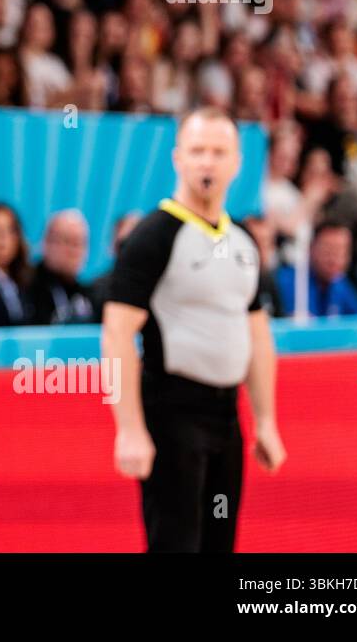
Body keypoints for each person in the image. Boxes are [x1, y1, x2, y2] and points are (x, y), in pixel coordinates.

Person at [102, 107, 286, 553]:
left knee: (219, 541)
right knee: (177, 544)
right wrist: (129, 428)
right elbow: (116, 334)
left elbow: (258, 336)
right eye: (198, 151)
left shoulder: (243, 240)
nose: (208, 162)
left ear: (238, 162)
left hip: (227, 417)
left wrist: (265, 420)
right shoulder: (152, 236)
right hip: (171, 413)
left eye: (219, 152)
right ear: (177, 158)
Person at [275, 220, 357, 318]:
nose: (334, 259)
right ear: (310, 249)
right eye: (328, 250)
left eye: (341, 251)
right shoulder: (290, 281)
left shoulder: (340, 283)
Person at [25, 210, 95, 324]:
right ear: (47, 243)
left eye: (80, 243)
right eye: (68, 242)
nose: (74, 252)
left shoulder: (85, 292)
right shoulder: (26, 287)